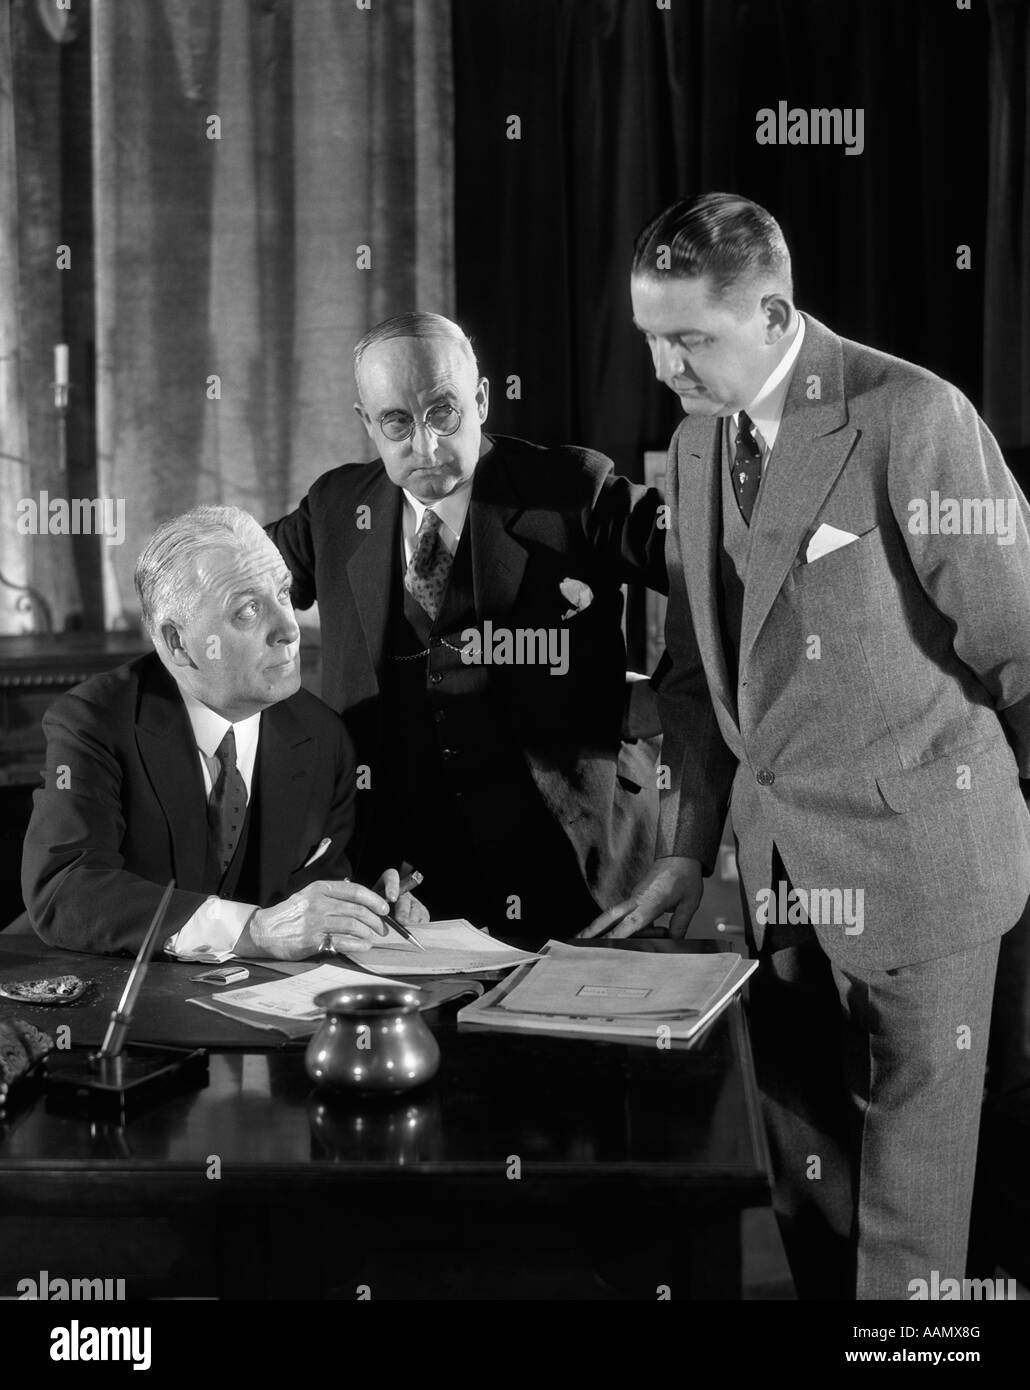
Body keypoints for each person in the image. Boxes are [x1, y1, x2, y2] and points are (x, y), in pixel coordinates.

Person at [582, 192, 1030, 1300]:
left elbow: (1021, 641)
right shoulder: (694, 447)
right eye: (649, 337)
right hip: (768, 881)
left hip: (921, 873)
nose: (664, 366)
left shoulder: (911, 417)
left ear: (775, 313)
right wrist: (688, 851)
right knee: (809, 1193)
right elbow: (695, 684)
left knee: (908, 1229)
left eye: (689, 339)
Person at [267, 312, 667, 947]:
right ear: (366, 422)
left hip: (573, 856)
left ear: (481, 400)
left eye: (443, 412)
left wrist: (666, 696)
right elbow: (234, 583)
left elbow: (719, 569)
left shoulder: (572, 487)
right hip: (406, 880)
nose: (423, 445)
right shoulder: (336, 507)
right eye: (396, 422)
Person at [19, 505, 425, 959]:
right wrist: (254, 930)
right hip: (134, 1011)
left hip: (266, 1013)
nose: (290, 629)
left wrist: (360, 907)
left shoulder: (323, 735)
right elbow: (65, 888)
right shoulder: (94, 722)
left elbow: (311, 886)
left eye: (284, 592)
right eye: (249, 610)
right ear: (178, 643)